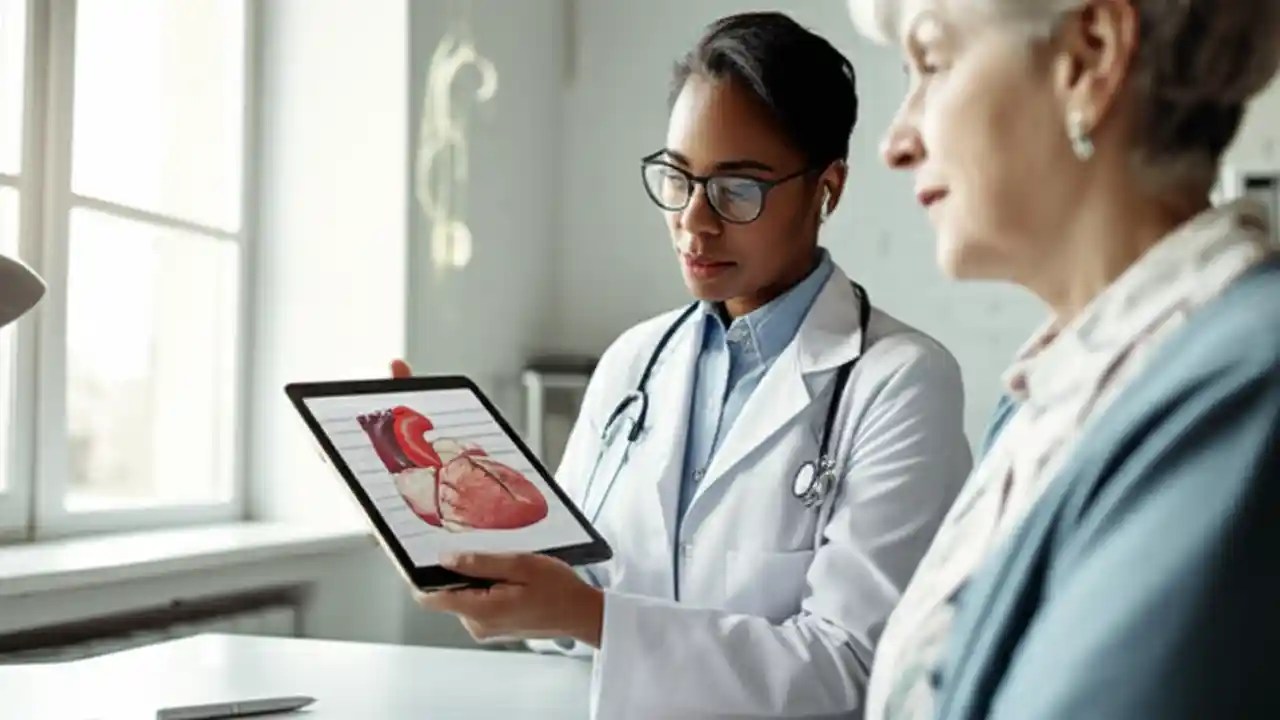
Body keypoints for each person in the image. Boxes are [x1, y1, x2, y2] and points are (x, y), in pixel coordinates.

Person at [394, 11, 973, 719]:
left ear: (828, 187)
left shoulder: (901, 383)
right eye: (678, 178)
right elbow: (568, 607)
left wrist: (589, 617)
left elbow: (855, 665)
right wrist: (474, 543)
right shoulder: (633, 364)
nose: (694, 221)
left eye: (738, 189)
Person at [847, 0, 1280, 717]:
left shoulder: (1242, 386)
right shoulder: (1047, 397)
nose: (896, 143)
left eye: (933, 62)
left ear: (1088, 56)